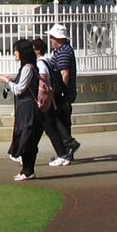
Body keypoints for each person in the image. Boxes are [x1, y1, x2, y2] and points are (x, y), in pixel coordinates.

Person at [0, 38, 43, 181]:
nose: (15, 54)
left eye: (16, 51)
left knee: (26, 138)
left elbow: (19, 89)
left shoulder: (27, 68)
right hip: (25, 108)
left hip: (28, 108)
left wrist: (7, 82)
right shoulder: (28, 68)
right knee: (25, 138)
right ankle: (26, 170)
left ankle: (28, 170)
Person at [32, 37, 71, 167]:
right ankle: (24, 152)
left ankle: (64, 153)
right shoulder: (46, 60)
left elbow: (43, 82)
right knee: (44, 128)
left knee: (50, 127)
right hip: (48, 100)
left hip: (46, 101)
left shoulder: (40, 63)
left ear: (36, 51)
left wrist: (43, 99)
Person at [48, 23, 81, 162]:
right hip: (67, 94)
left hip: (63, 95)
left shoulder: (62, 52)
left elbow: (64, 74)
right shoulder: (66, 50)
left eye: (52, 37)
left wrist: (59, 92)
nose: (50, 40)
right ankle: (67, 151)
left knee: (58, 121)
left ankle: (69, 145)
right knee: (64, 121)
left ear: (58, 38)